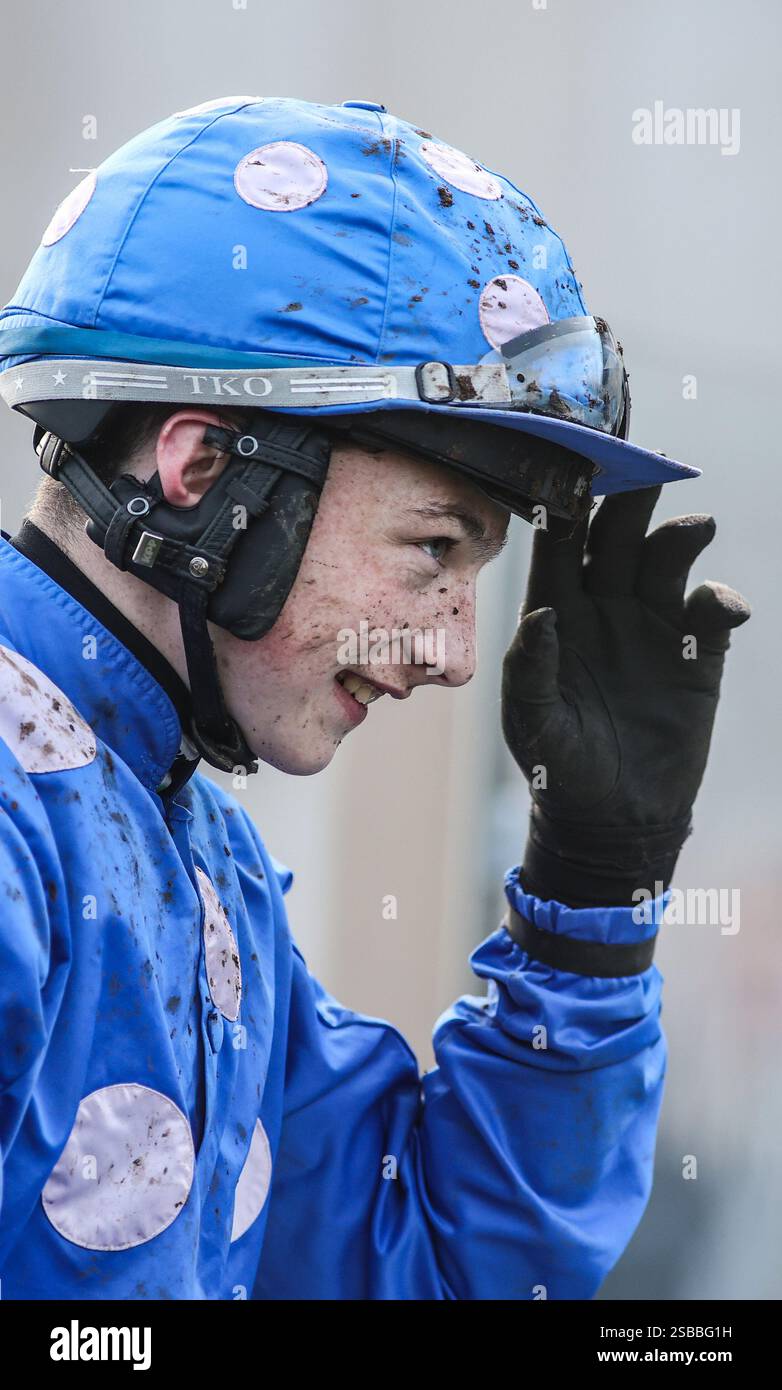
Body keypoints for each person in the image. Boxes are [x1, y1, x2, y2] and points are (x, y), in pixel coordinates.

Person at [0, 95, 749, 1300]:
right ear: (200, 474)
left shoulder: (199, 860)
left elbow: (415, 1273)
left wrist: (583, 903)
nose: (456, 654)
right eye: (434, 549)